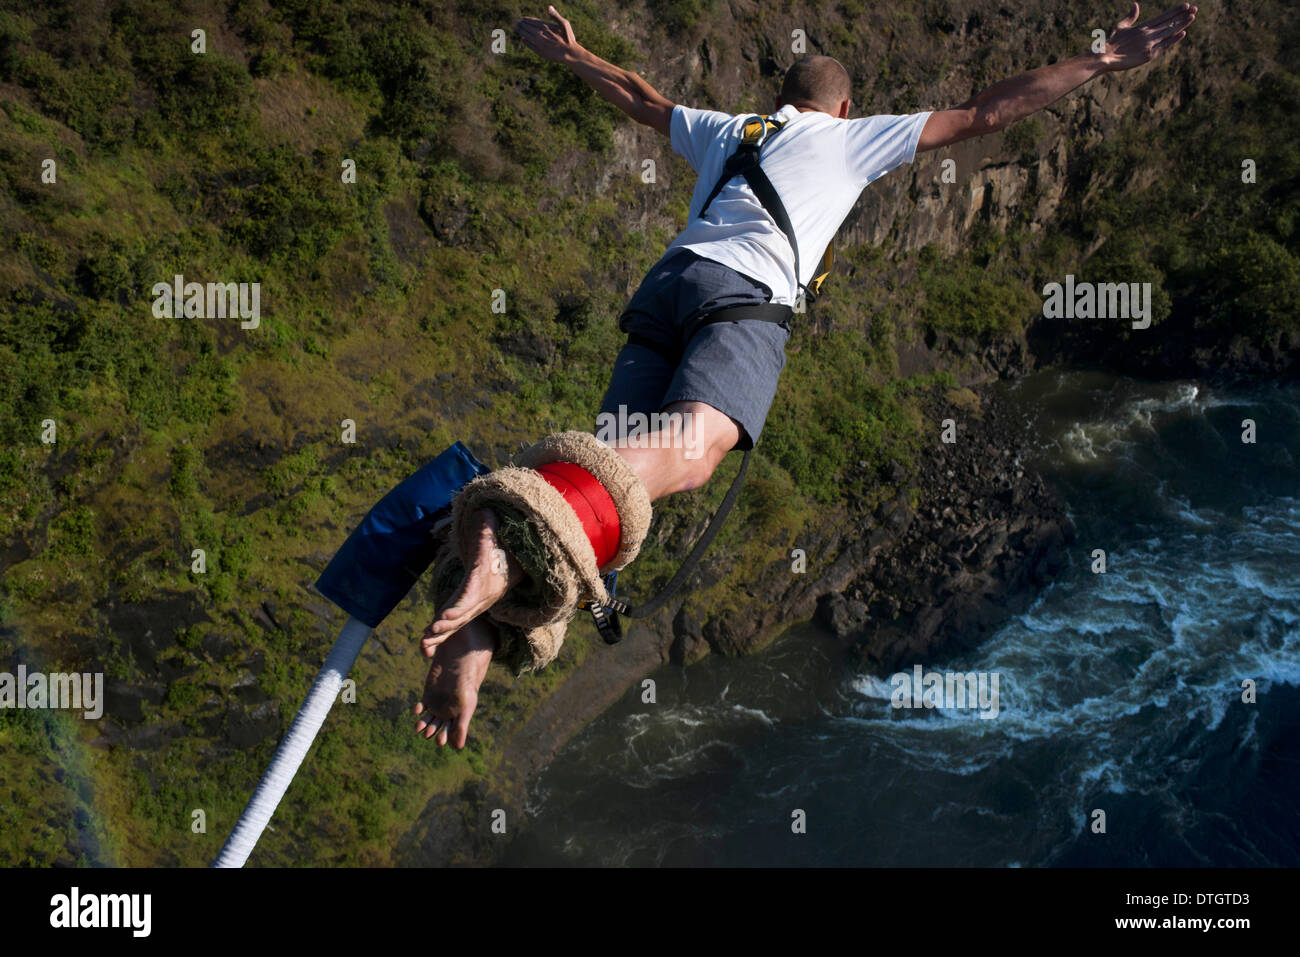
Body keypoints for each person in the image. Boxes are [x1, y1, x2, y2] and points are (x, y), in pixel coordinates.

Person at [413, 2, 1197, 748]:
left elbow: (640, 98)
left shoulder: (735, 128)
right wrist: (1099, 61)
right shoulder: (851, 141)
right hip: (742, 297)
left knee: (614, 475)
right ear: (847, 109)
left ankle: (483, 629)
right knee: (692, 451)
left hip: (667, 287)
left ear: (778, 98)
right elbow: (986, 112)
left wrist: (573, 53)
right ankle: (507, 533)